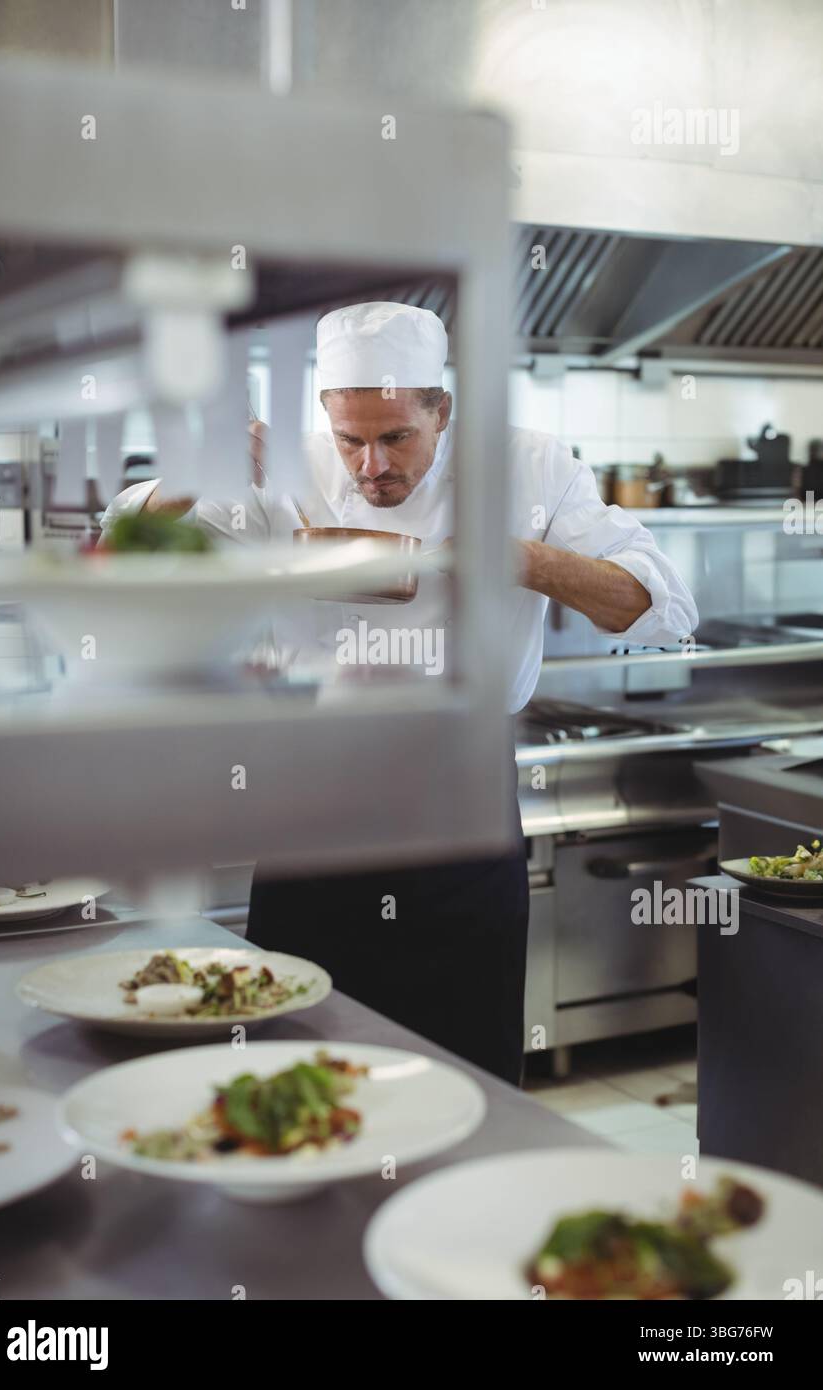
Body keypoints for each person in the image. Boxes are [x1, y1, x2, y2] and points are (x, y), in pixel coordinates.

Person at [101, 301, 698, 1084]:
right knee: (296, 1053)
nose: (371, 467)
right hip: (311, 805)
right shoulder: (280, 469)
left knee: (466, 1067)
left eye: (395, 438)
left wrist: (519, 557)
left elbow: (664, 611)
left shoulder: (529, 466)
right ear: (324, 414)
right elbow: (119, 550)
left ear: (441, 410)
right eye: (350, 440)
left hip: (461, 804)